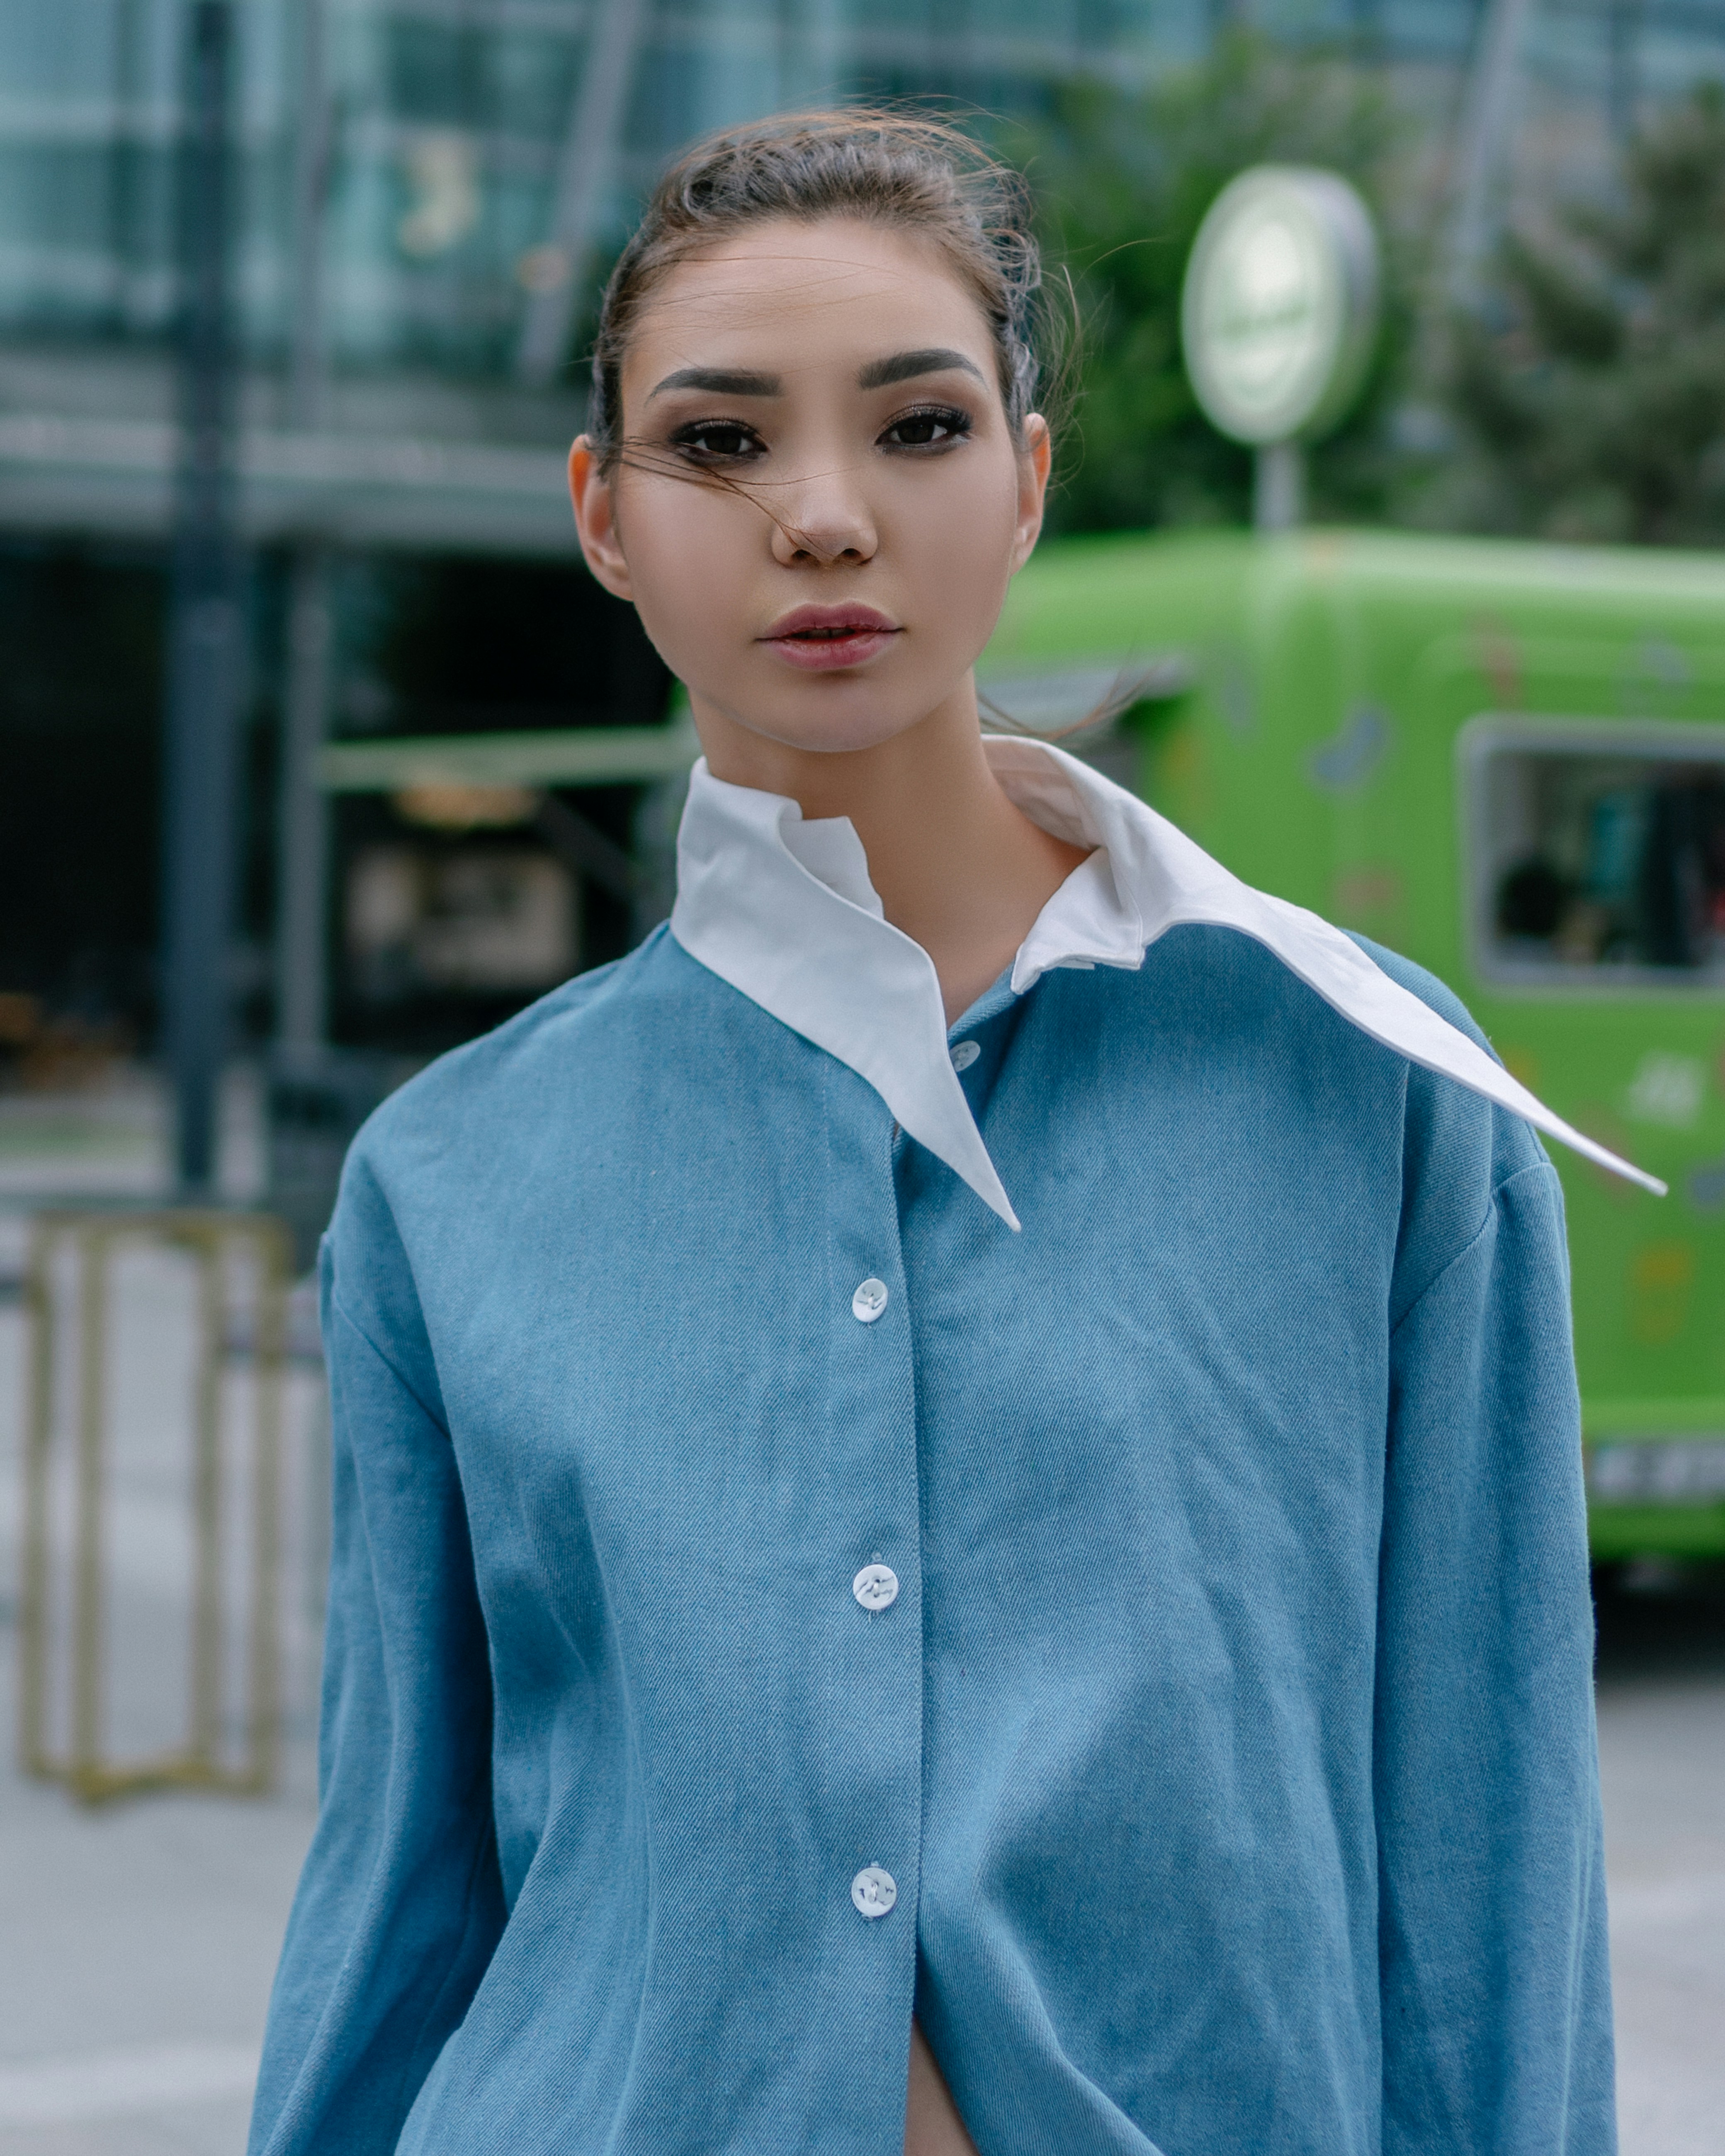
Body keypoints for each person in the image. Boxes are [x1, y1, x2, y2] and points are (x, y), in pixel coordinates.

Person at [250, 112, 1641, 2156]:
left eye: (914, 428)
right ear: (603, 515)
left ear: (1027, 481)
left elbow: (1488, 1865)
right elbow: (398, 1894)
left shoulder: (1372, 1097)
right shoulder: (446, 1184)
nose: (819, 517)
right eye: (717, 443)